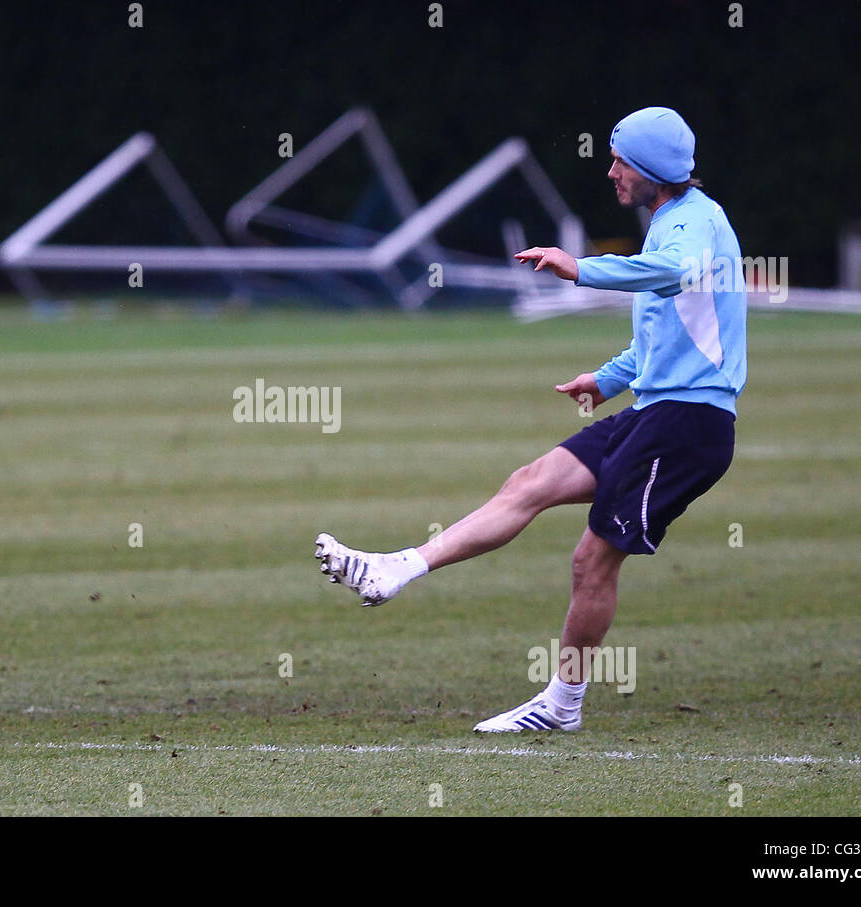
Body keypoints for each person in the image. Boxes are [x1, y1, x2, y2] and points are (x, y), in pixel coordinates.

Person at [314, 107, 747, 732]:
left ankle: (561, 707)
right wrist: (607, 379)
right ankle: (394, 568)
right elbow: (665, 332)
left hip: (689, 425)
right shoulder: (669, 222)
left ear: (652, 169)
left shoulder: (696, 225)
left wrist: (581, 268)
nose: (612, 172)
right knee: (529, 482)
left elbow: (671, 275)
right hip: (655, 408)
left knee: (592, 560)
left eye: (622, 161)